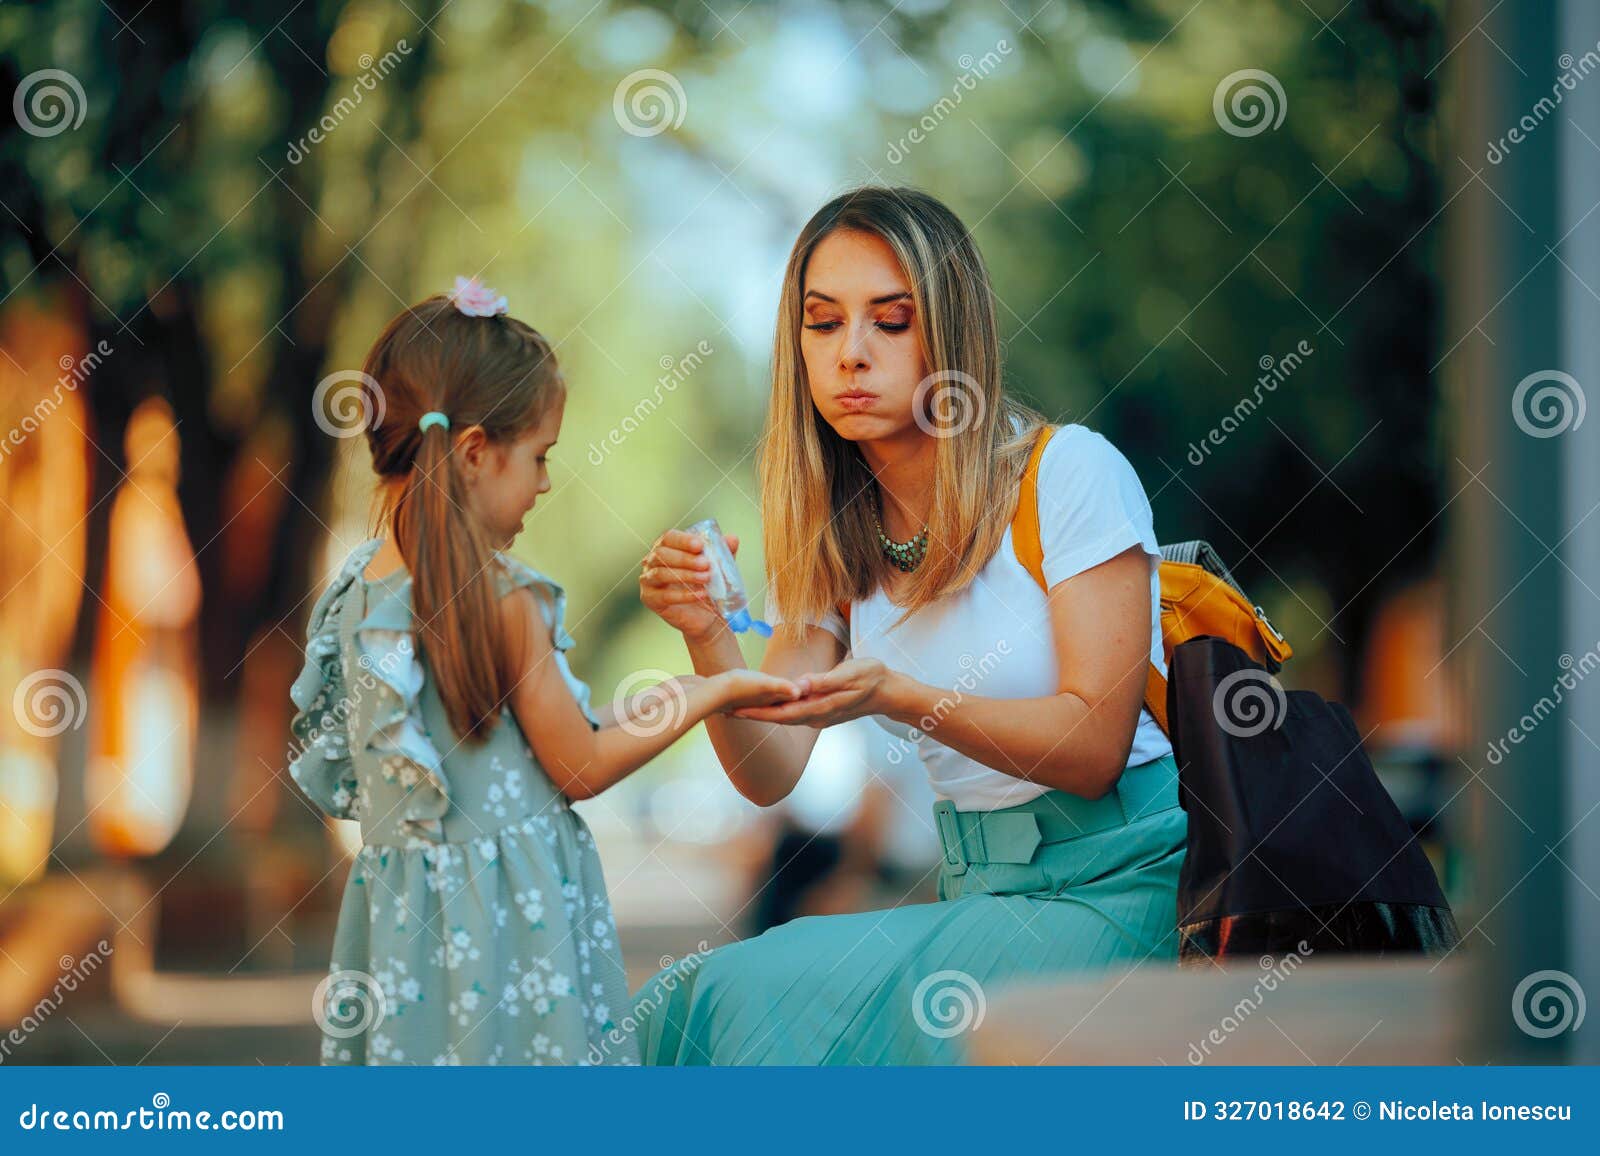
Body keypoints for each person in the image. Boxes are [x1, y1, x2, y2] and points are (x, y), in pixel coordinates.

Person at [632, 188, 1187, 1064]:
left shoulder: (1068, 472)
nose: (852, 354)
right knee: (696, 1001)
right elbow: (772, 772)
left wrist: (903, 695)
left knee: (745, 996)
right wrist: (708, 639)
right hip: (977, 897)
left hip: (1123, 886)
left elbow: (1094, 747)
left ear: (952, 336)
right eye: (823, 324)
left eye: (892, 322)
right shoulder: (831, 535)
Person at [286, 278, 801, 1065]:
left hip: (407, 950)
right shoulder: (506, 598)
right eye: (539, 455)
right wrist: (709, 692)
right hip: (512, 937)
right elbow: (582, 764)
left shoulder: (353, 599)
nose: (548, 481)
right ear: (473, 453)